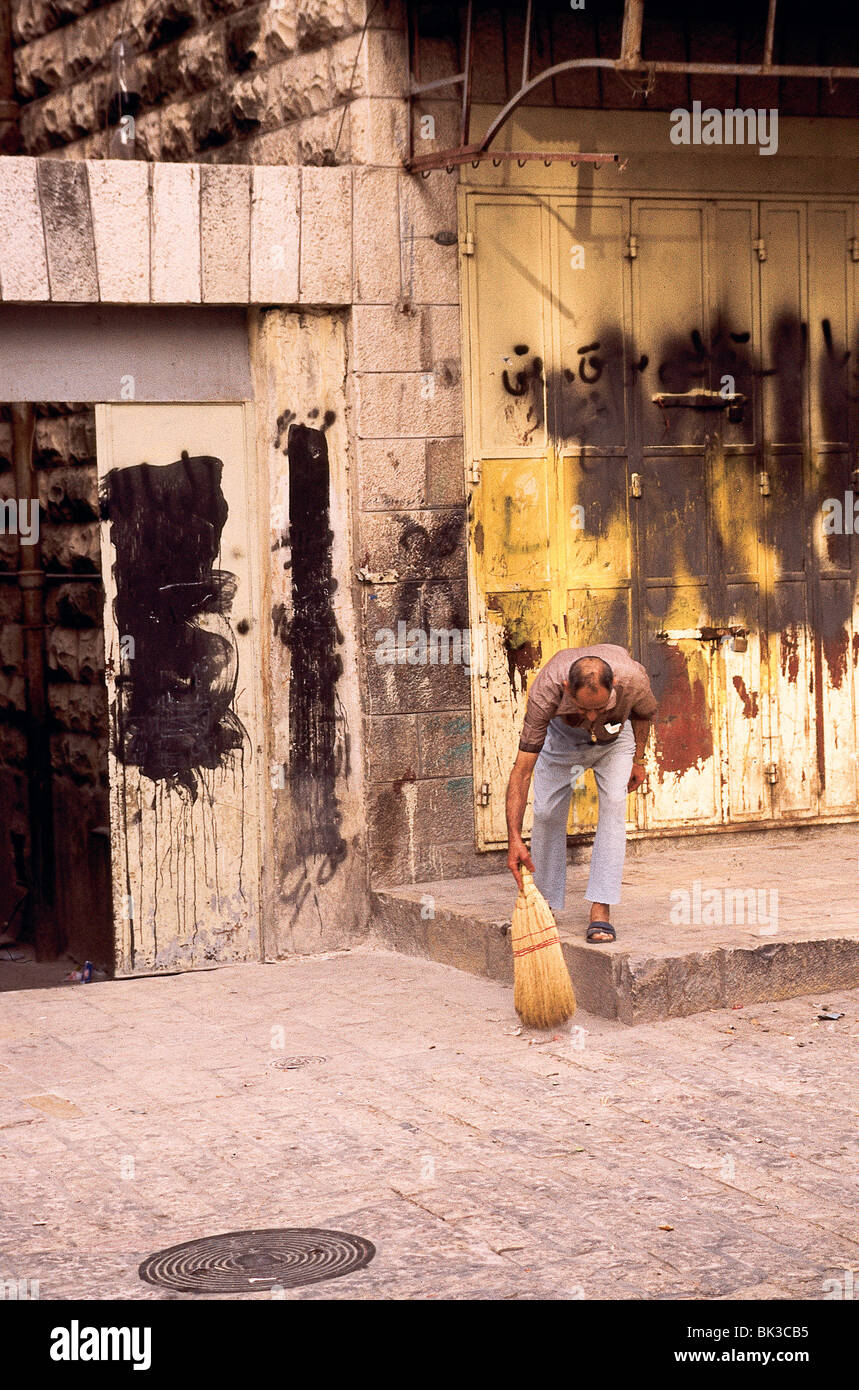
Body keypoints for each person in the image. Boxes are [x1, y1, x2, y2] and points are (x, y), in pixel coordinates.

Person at [505, 644, 658, 943]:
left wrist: (639, 759)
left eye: (598, 708)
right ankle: (544, 904)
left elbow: (644, 713)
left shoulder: (633, 679)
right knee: (546, 812)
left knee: (614, 805)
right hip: (563, 740)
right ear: (566, 688)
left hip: (615, 740)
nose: (590, 715)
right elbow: (522, 771)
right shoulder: (545, 690)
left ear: (613, 686)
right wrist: (513, 837)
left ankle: (601, 907)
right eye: (582, 707)